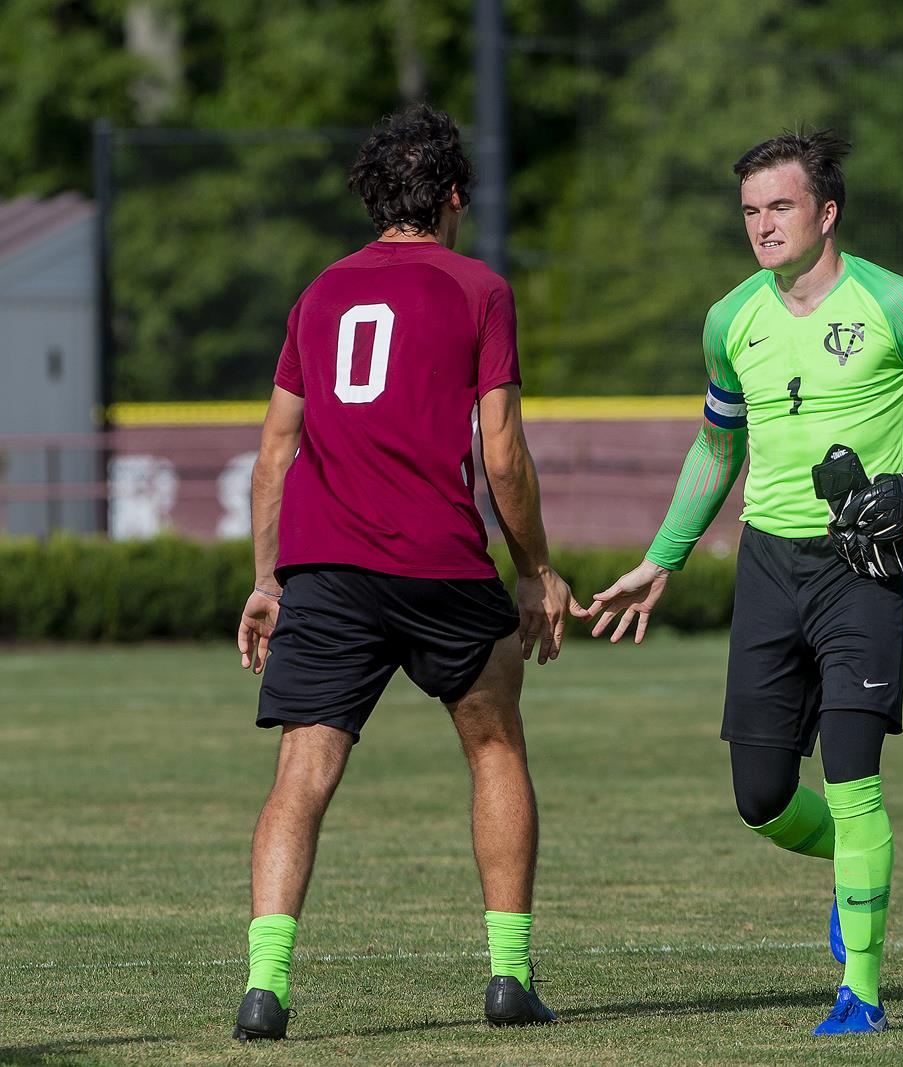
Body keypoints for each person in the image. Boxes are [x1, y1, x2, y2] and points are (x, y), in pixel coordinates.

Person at [584, 130, 903, 1035]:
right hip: (767, 567)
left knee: (855, 780)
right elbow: (717, 447)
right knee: (761, 798)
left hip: (862, 568)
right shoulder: (728, 318)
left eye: (780, 207)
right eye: (749, 210)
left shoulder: (898, 304)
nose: (762, 225)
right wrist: (663, 558)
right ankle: (846, 865)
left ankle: (861, 991)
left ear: (826, 214)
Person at [232, 104, 581, 1040]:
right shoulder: (478, 288)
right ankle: (509, 976)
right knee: (496, 744)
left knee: (302, 771)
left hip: (326, 568)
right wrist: (536, 568)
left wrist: (267, 580)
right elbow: (501, 450)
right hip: (438, 563)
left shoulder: (318, 292)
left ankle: (265, 988)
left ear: (373, 197)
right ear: (456, 195)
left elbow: (275, 450)